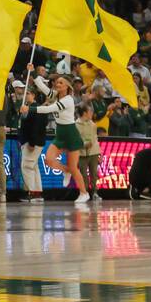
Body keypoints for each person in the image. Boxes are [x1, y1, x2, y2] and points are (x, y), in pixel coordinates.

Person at [22, 71, 89, 205]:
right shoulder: (56, 95)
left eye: (61, 83)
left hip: (71, 134)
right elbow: (44, 89)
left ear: (67, 86)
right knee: (48, 160)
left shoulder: (68, 100)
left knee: (74, 168)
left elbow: (49, 109)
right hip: (60, 134)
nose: (57, 84)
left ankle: (84, 193)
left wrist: (30, 109)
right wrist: (34, 75)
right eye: (57, 82)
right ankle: (66, 171)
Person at [18, 86, 48, 204]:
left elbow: (36, 127)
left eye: (29, 93)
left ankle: (31, 192)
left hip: (32, 142)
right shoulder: (29, 108)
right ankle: (37, 193)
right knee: (33, 167)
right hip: (32, 142)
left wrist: (32, 142)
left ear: (34, 96)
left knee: (27, 166)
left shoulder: (36, 109)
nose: (26, 95)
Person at [76, 102, 101, 201]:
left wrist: (100, 153)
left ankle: (95, 192)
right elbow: (76, 139)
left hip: (93, 152)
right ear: (85, 113)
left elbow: (95, 139)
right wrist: (84, 144)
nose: (92, 113)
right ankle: (84, 193)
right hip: (81, 153)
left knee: (94, 173)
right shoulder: (75, 125)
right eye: (90, 111)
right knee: (83, 175)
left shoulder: (93, 125)